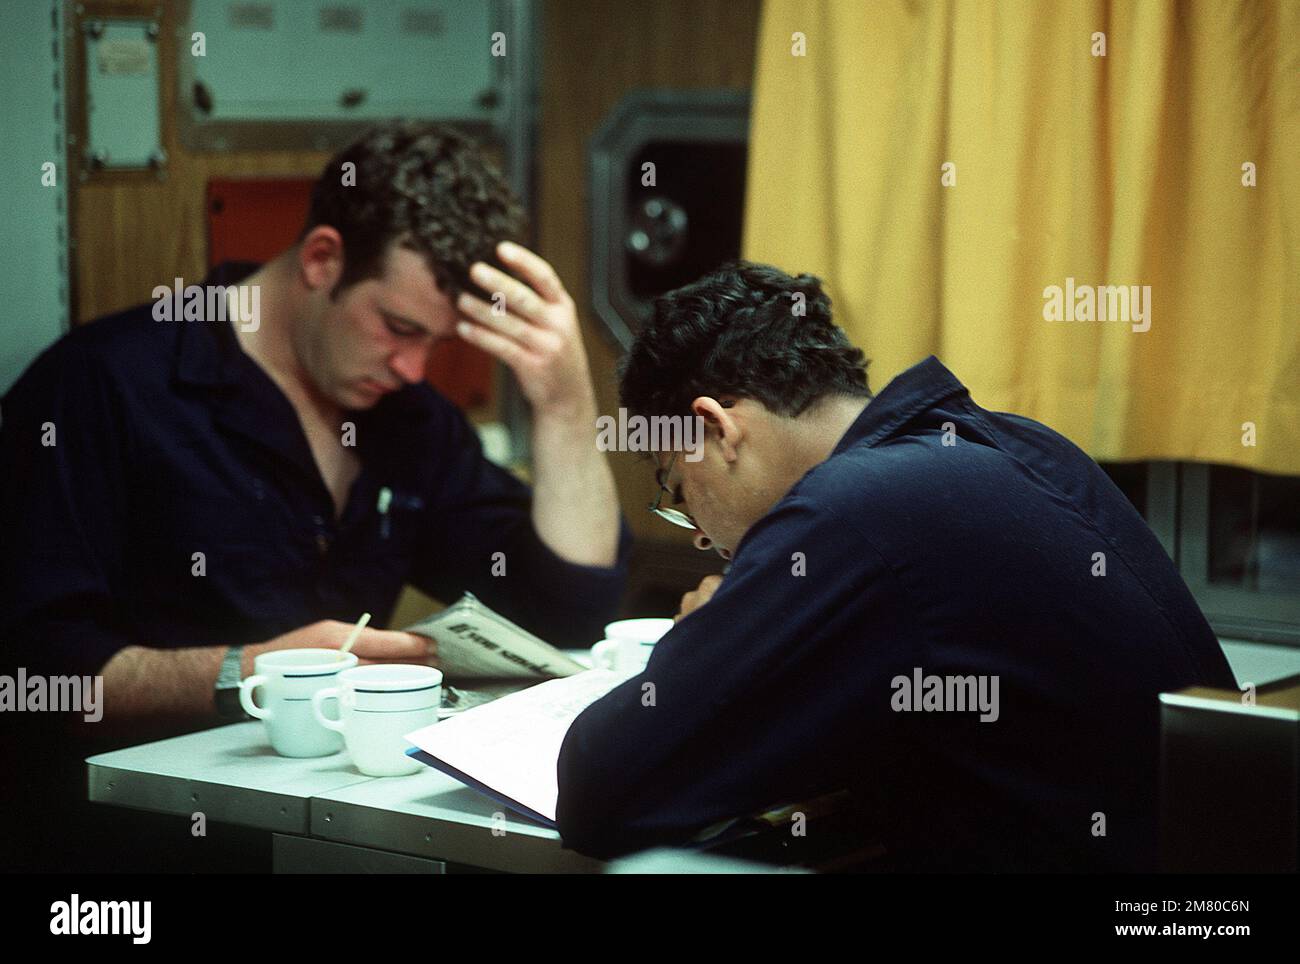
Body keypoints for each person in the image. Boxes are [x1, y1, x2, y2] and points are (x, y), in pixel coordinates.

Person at [555, 261, 1237, 872]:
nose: (700, 537)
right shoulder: (1008, 444)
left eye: (676, 489)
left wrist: (704, 636)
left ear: (714, 428)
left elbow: (600, 790)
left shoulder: (853, 512)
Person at [0, 122, 628, 731]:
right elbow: (33, 674)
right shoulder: (104, 384)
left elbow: (568, 612)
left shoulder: (405, 417)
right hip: (131, 812)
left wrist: (566, 407)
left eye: (435, 344)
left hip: (327, 799)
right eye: (399, 328)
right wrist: (255, 673)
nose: (414, 369)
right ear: (322, 258)